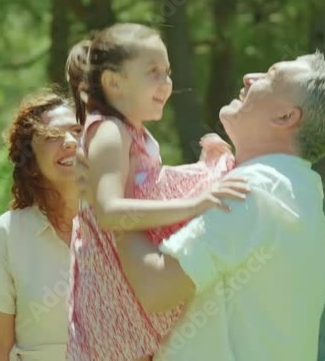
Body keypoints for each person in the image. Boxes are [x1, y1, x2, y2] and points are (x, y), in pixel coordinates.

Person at [80, 52, 325, 361]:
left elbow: (155, 286)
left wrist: (117, 197)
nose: (249, 77)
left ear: (285, 117)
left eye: (269, 75)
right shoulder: (299, 196)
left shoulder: (253, 193)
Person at [64, 23, 245, 361]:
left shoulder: (131, 132)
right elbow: (110, 211)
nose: (166, 83)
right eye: (153, 73)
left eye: (168, 72)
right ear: (114, 83)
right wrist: (196, 202)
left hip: (124, 288)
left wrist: (203, 168)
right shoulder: (109, 132)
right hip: (108, 299)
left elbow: (150, 187)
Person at [0, 90, 82, 361]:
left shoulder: (121, 225)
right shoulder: (6, 236)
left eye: (77, 131)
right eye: (52, 136)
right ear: (30, 163)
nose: (69, 141)